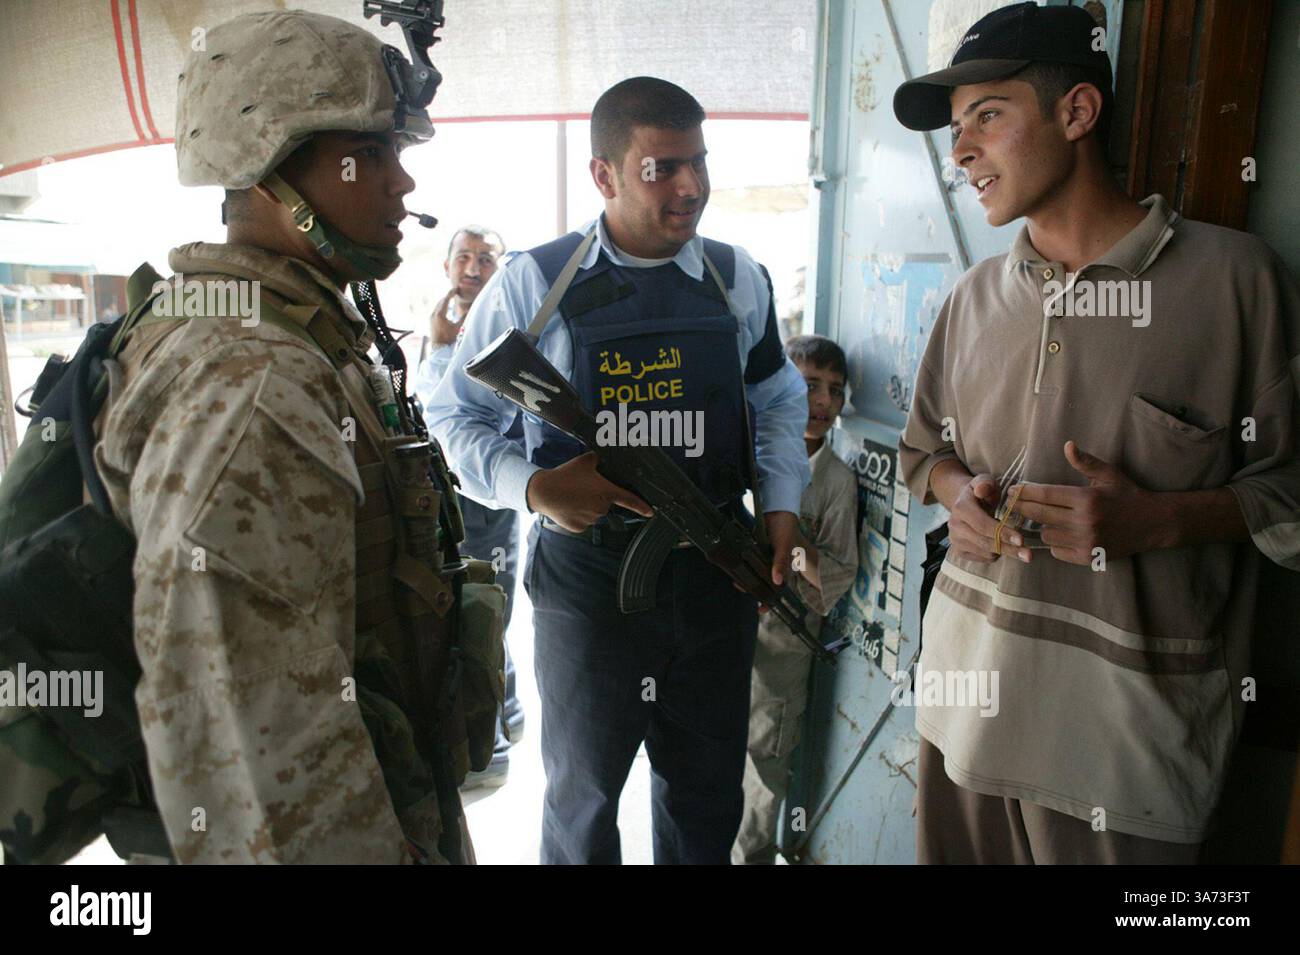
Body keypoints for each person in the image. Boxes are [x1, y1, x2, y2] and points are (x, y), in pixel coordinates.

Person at [893, 1, 1300, 863]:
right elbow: (921, 453)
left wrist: (1162, 521)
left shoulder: (1234, 284)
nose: (960, 150)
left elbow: (1289, 493)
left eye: (988, 116)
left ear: (1077, 112)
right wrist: (955, 491)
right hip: (959, 727)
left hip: (1125, 765)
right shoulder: (971, 300)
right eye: (957, 128)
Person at [93, 9, 478, 863]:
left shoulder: (298, 328)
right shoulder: (252, 380)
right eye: (368, 154)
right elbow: (253, 754)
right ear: (270, 172)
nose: (401, 184)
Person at [425, 76, 811, 864]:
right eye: (661, 167)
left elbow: (775, 397)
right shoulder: (536, 281)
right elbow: (454, 415)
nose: (692, 186)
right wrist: (530, 487)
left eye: (699, 163)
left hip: (714, 571)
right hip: (592, 584)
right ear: (603, 175)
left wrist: (781, 504)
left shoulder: (738, 278)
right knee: (585, 800)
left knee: (707, 797)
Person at [732, 334, 858, 865]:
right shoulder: (747, 453)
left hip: (784, 642)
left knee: (765, 761)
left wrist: (794, 544)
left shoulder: (835, 482)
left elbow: (838, 575)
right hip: (727, 629)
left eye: (835, 390)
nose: (823, 401)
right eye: (810, 386)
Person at [415, 225, 526, 790]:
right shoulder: (435, 325)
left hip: (490, 500)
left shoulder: (506, 328)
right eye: (464, 256)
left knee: (487, 604)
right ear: (447, 266)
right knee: (458, 603)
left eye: (487, 258)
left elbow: (462, 416)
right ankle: (506, 713)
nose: (474, 267)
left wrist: (441, 351)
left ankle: (494, 744)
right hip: (441, 499)